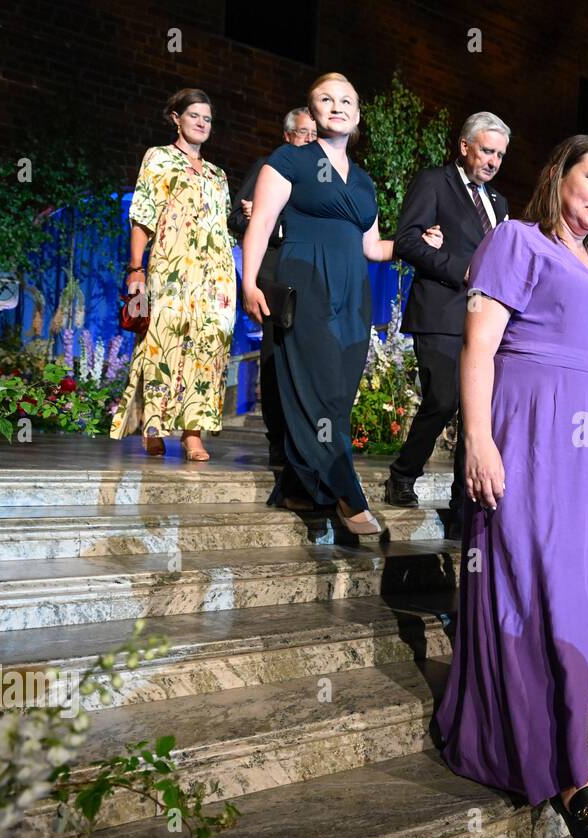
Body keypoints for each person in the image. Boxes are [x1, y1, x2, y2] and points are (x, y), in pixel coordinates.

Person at [433, 135, 588, 838]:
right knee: (533, 595)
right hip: (529, 440)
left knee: (582, 609)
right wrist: (477, 439)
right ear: (559, 176)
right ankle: (569, 775)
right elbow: (480, 346)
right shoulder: (516, 240)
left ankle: (562, 747)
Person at [240, 73, 394, 535]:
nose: (337, 106)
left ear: (357, 114)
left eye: (347, 100)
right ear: (312, 110)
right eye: (327, 99)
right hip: (307, 286)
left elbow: (373, 247)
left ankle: (297, 489)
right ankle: (348, 496)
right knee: (321, 390)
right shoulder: (290, 159)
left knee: (337, 396)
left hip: (353, 299)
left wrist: (419, 244)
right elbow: (261, 224)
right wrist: (249, 283)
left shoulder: (364, 182)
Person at [385, 112, 511, 535]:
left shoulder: (499, 204)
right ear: (464, 146)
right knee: (442, 398)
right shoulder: (434, 182)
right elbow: (405, 240)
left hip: (485, 322)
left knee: (477, 409)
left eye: (500, 155)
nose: (493, 161)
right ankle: (403, 474)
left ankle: (463, 504)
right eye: (487, 150)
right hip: (440, 310)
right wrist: (462, 270)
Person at [110, 88, 236, 461]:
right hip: (171, 268)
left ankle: (193, 433)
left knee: (207, 348)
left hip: (216, 276)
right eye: (194, 115)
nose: (201, 123)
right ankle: (153, 425)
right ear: (176, 118)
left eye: (207, 118)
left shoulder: (218, 175)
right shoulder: (160, 159)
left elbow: (224, 231)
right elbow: (144, 214)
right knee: (162, 341)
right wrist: (137, 269)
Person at [228, 106, 316, 471]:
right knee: (275, 356)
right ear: (287, 136)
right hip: (275, 278)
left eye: (315, 135)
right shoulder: (270, 167)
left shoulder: (323, 176)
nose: (310, 140)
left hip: (312, 277)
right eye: (303, 134)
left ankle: (307, 443)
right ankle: (277, 442)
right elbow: (235, 218)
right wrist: (252, 218)